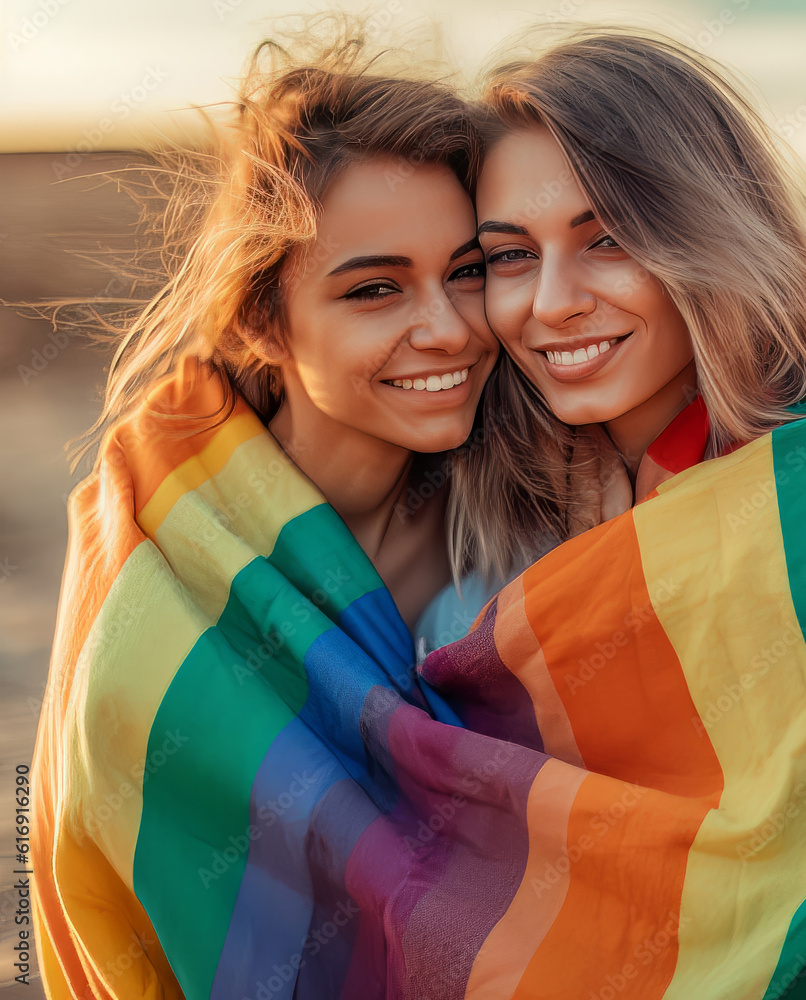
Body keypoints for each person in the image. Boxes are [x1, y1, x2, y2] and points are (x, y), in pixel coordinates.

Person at [423, 27, 806, 999]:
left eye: (606, 238)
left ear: (707, 233)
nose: (552, 302)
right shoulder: (476, 521)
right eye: (509, 257)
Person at [28, 24, 499, 997]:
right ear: (262, 319)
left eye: (468, 270)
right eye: (376, 288)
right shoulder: (162, 562)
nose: (449, 327)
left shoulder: (524, 498)